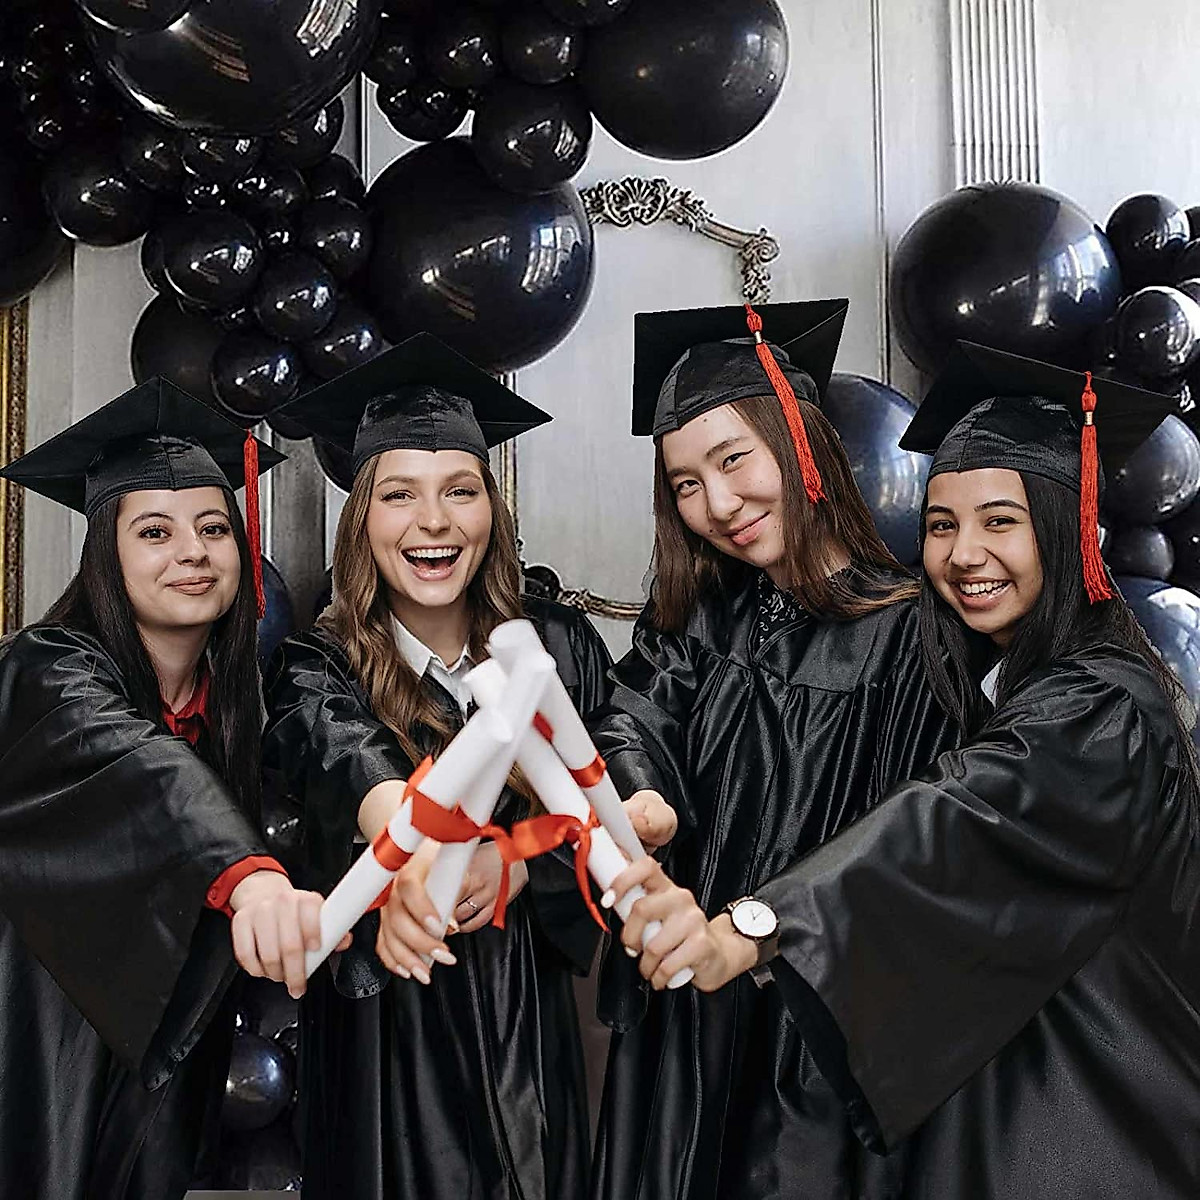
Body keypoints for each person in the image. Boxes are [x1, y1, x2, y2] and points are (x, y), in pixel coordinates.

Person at [611, 343, 1200, 1198]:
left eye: (1001, 521)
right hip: (1001, 1107)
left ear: (1066, 526)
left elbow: (954, 813)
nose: (965, 554)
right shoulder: (1004, 671)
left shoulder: (1099, 702)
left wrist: (750, 929)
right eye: (941, 525)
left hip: (1090, 1117)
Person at [587, 302, 957, 1200]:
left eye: (732, 460)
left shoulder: (915, 636)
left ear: (801, 443)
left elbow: (917, 849)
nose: (717, 506)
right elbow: (629, 718)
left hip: (819, 1033)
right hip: (689, 1014)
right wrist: (641, 797)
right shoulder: (698, 626)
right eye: (684, 484)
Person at [261, 333, 616, 1200]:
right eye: (399, 495)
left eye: (460, 489)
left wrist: (517, 866)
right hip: (382, 1032)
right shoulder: (317, 665)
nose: (434, 521)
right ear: (361, 520)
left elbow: (618, 789)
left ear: (492, 509)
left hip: (527, 1019)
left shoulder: (558, 646)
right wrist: (419, 854)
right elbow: (348, 758)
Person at [0, 378, 344, 1200]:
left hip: (157, 1072)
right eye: (154, 531)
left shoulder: (237, 711)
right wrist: (251, 879)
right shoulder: (48, 669)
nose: (193, 551)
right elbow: (136, 766)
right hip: (38, 1035)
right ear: (106, 557)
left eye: (214, 528)